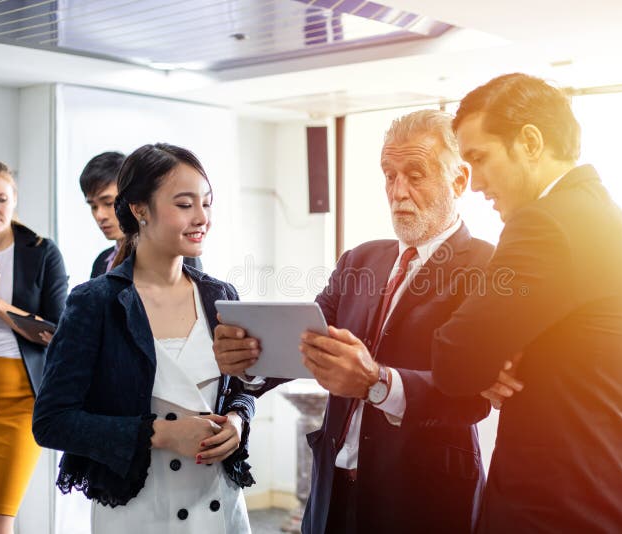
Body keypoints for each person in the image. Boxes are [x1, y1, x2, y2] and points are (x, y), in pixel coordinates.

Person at [214, 110, 514, 534]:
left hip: (425, 498)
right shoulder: (360, 259)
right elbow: (306, 340)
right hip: (333, 492)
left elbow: (474, 394)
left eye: (415, 175)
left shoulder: (489, 267)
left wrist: (378, 382)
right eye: (389, 176)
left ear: (459, 180)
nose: (398, 192)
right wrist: (250, 358)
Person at [431, 73, 622, 533]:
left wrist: (486, 361)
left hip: (558, 510)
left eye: (480, 158)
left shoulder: (547, 224)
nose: (475, 184)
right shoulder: (614, 220)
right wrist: (493, 357)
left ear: (531, 142)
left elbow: (453, 359)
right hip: (611, 495)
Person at [33, 144, 255, 533]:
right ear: (140, 209)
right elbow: (52, 421)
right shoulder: (95, 301)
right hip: (139, 511)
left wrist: (238, 420)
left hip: (220, 508)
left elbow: (242, 388)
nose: (202, 217)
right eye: (185, 204)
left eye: (207, 203)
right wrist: (162, 433)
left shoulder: (220, 296)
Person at [0, 160, 68, 534]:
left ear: (14, 199)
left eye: (1, 198)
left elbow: (56, 331)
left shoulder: (43, 252)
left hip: (21, 403)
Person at [79, 151, 201, 279]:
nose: (100, 215)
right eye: (93, 206)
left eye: (108, 203)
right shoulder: (101, 261)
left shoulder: (178, 255)